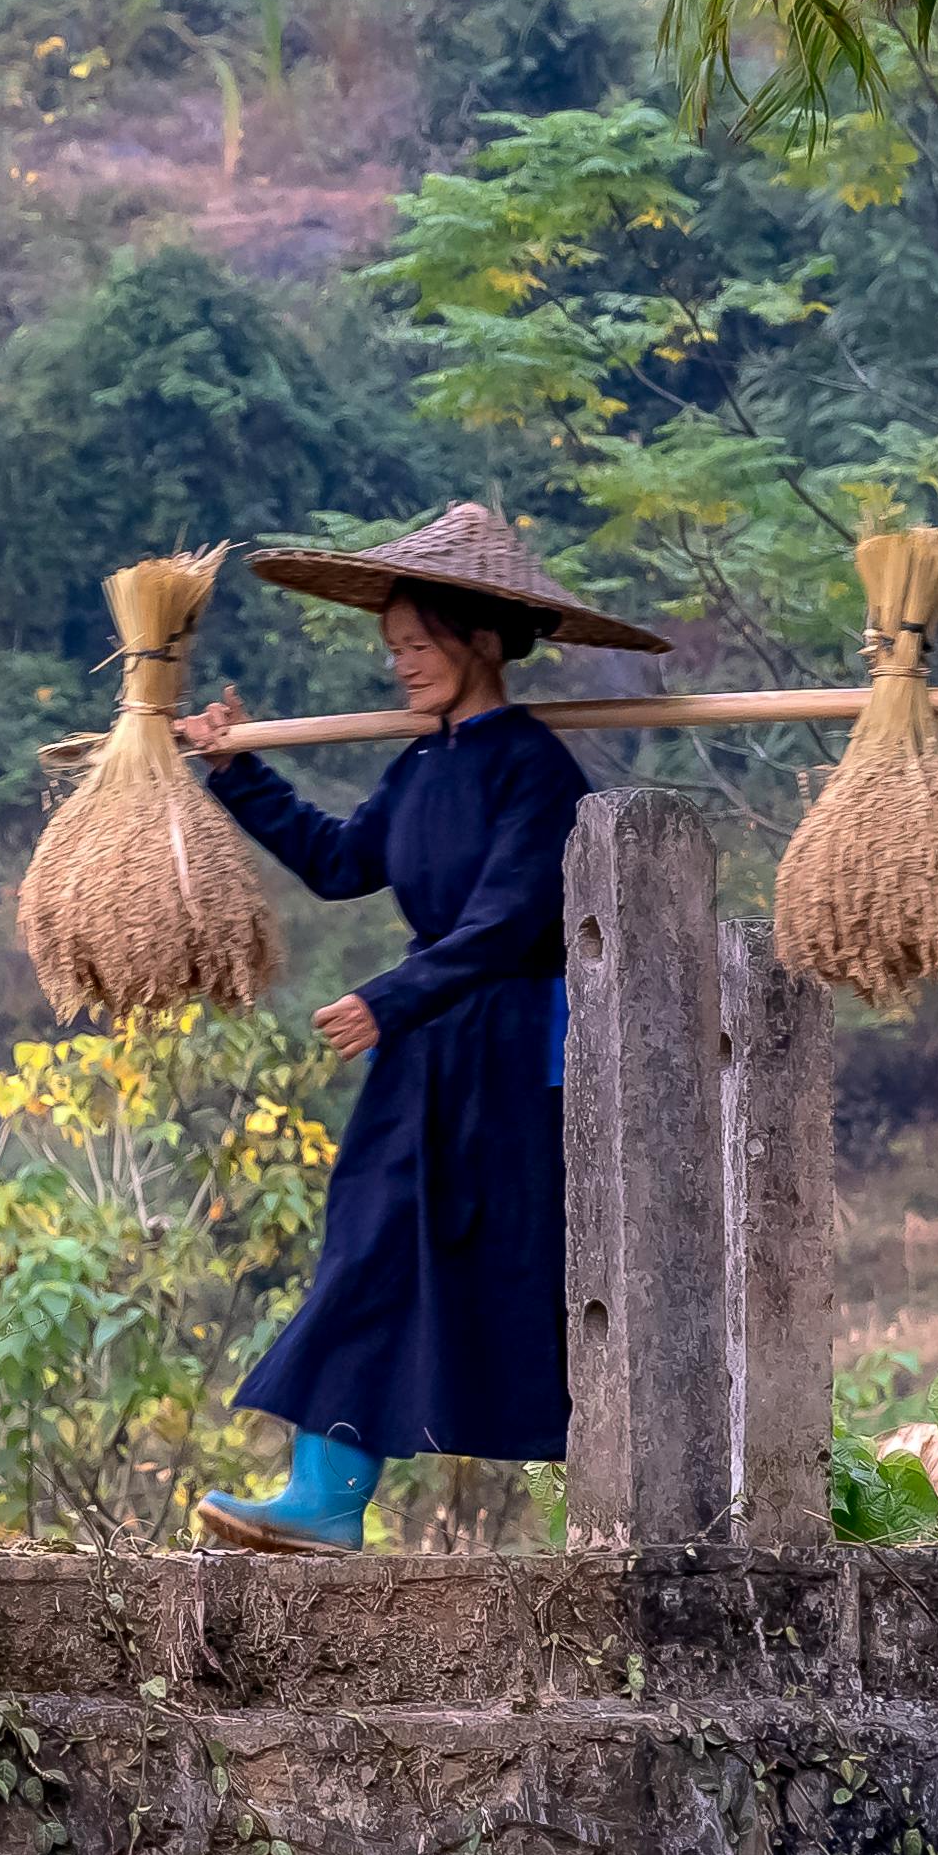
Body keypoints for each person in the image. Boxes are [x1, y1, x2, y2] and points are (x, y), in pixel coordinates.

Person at [167, 504, 669, 1551]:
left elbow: (505, 923)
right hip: (427, 1046)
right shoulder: (420, 763)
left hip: (507, 1048)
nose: (400, 664)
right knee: (366, 1243)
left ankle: (623, 1497)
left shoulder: (531, 769)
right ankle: (325, 1496)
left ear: (479, 639)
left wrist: (388, 997)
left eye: (417, 643)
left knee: (487, 1266)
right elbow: (339, 860)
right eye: (391, 647)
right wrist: (233, 770)